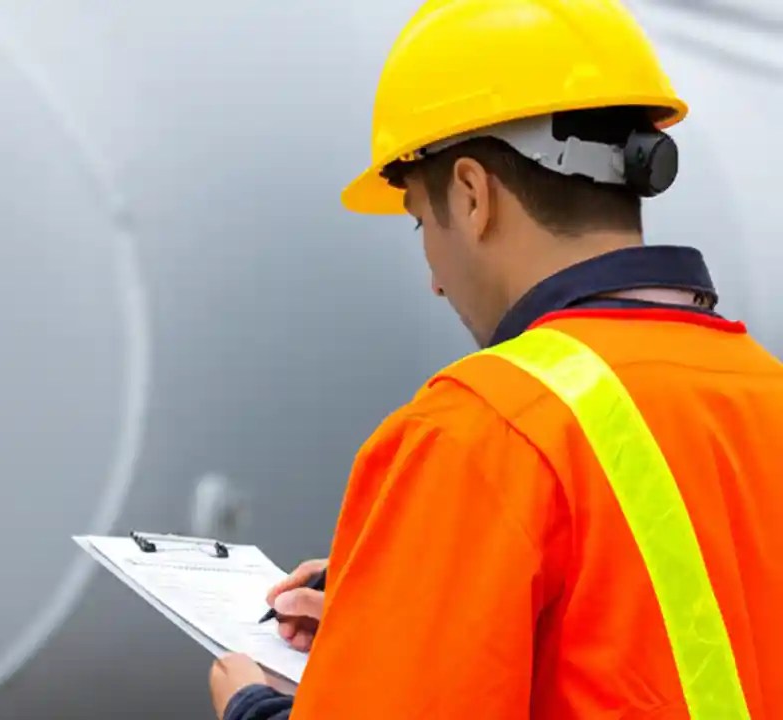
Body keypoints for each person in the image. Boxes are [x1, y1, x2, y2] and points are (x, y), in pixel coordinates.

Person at [207, 0, 783, 718]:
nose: (435, 277)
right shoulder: (763, 391)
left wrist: (258, 711)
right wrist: (388, 621)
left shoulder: (484, 430)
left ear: (474, 195)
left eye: (421, 219)